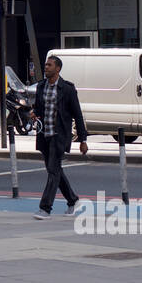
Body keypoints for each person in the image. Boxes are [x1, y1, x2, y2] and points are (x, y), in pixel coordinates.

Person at [30, 54, 87, 219]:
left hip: (59, 135)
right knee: (54, 170)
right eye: (46, 65)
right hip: (44, 135)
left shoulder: (67, 89)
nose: (46, 67)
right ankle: (73, 200)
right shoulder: (41, 86)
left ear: (58, 68)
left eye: (49, 65)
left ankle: (45, 208)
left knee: (53, 171)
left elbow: (78, 114)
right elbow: (39, 109)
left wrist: (83, 140)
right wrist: (33, 114)